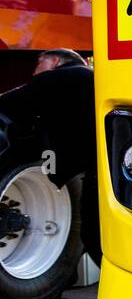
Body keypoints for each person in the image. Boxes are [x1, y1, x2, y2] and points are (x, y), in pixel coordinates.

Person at [0, 49, 98, 262]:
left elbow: (13, 102)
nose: (35, 73)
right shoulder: (90, 78)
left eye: (38, 65)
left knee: (93, 234)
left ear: (55, 61)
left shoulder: (59, 77)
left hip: (94, 172)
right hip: (102, 166)